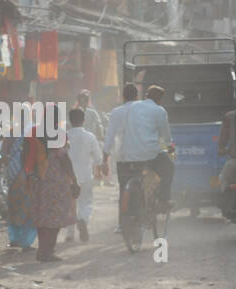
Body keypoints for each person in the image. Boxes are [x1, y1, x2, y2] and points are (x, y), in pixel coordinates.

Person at [115, 85, 174, 209]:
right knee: (169, 167)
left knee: (126, 181)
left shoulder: (133, 107)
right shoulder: (159, 110)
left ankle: (124, 216)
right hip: (150, 154)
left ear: (146, 95)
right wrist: (169, 146)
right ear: (159, 100)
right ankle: (163, 200)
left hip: (129, 154)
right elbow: (165, 135)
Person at [25, 124, 77, 262]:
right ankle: (48, 251)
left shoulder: (34, 133)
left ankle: (42, 250)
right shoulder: (57, 135)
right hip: (56, 184)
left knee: (42, 218)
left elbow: (25, 156)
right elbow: (66, 161)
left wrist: (29, 176)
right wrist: (74, 181)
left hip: (38, 182)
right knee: (55, 218)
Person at [104, 83, 140, 229]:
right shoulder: (143, 110)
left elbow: (109, 136)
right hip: (141, 155)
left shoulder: (116, 112)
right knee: (141, 185)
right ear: (137, 96)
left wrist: (104, 157)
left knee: (123, 188)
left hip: (123, 157)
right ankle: (140, 215)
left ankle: (121, 223)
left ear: (123, 97)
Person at [64, 107, 103, 243]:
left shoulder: (64, 136)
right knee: (85, 202)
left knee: (70, 204)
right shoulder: (90, 137)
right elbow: (98, 158)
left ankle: (70, 234)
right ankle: (83, 220)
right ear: (84, 121)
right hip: (85, 175)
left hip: (67, 176)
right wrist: (98, 168)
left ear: (70, 121)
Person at [2, 134, 36, 250]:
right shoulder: (32, 133)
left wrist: (11, 166)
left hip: (12, 171)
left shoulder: (10, 135)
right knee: (29, 206)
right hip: (27, 171)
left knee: (14, 205)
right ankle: (26, 242)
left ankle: (14, 239)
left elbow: (4, 156)